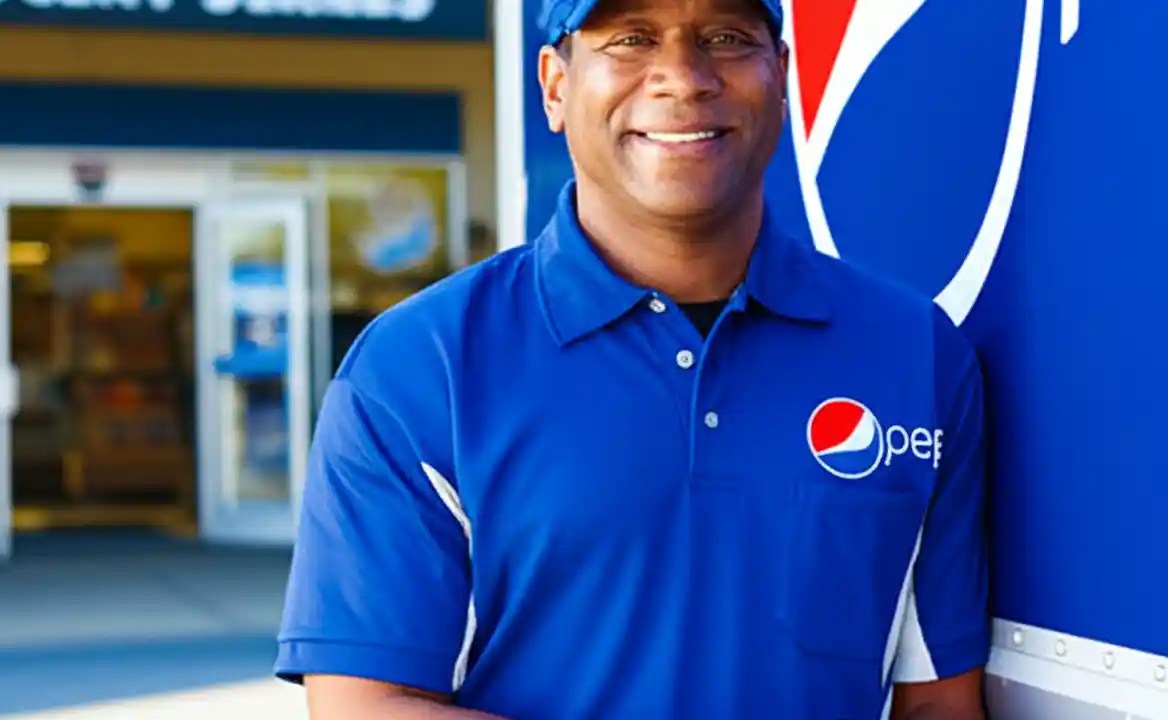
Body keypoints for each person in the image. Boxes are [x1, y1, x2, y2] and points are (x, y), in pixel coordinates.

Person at [274, 0, 991, 717]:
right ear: (555, 86)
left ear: (782, 77)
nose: (682, 77)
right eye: (631, 38)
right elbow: (367, 705)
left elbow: (940, 703)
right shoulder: (420, 368)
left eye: (726, 37)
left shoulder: (916, 355)